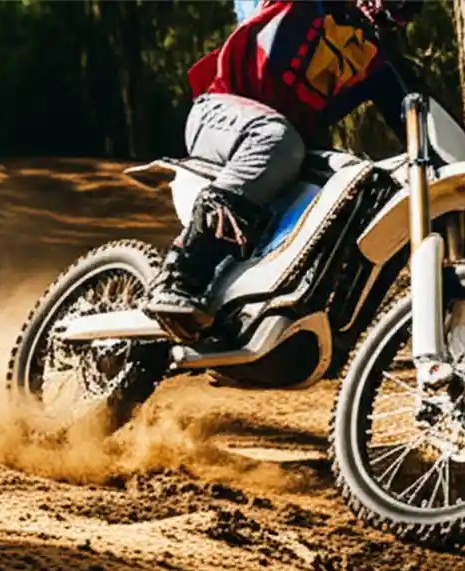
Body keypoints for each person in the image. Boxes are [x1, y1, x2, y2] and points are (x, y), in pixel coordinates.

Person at [145, 0, 423, 339]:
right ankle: (180, 273)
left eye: (409, 8)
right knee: (278, 138)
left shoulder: (373, 61)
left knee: (354, 181)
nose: (398, 12)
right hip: (219, 114)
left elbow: (413, 112)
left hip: (281, 151)